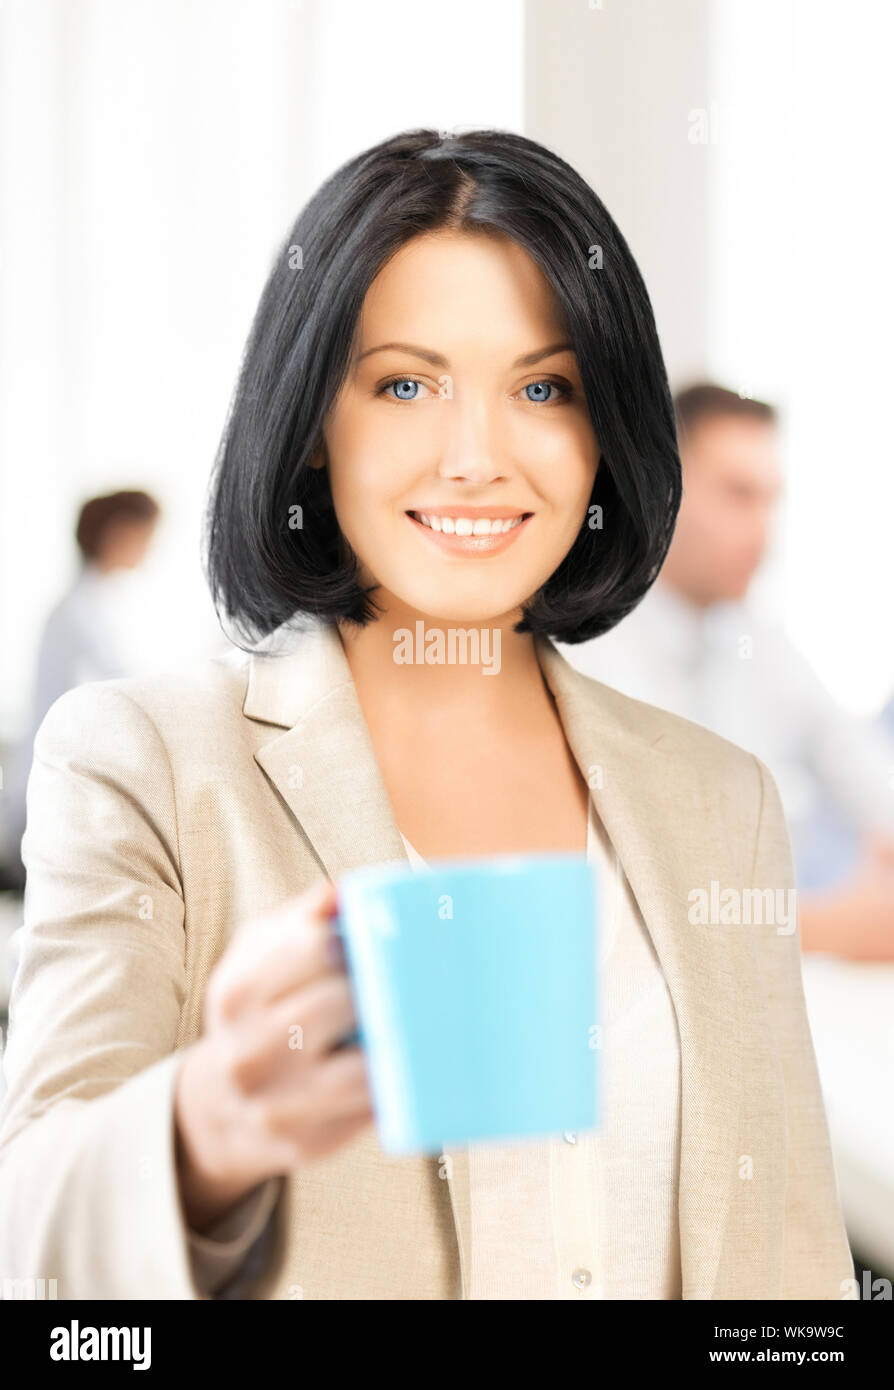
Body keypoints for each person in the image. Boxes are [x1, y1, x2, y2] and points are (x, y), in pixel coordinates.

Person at [0, 130, 851, 1300]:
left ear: (603, 435)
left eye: (543, 388)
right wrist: (204, 1126)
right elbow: (32, 1238)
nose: (475, 457)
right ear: (312, 425)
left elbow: (788, 1264)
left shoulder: (720, 798)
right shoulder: (144, 761)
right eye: (405, 383)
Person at [561, 384, 894, 963]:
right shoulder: (583, 652)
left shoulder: (763, 648)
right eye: (739, 495)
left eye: (772, 501)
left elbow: (875, 790)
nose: (763, 532)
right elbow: (635, 912)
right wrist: (824, 929)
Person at [0, 490, 160, 890]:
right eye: (145, 534)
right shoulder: (77, 614)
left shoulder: (96, 605)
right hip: (47, 796)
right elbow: (121, 695)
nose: (149, 547)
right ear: (117, 532)